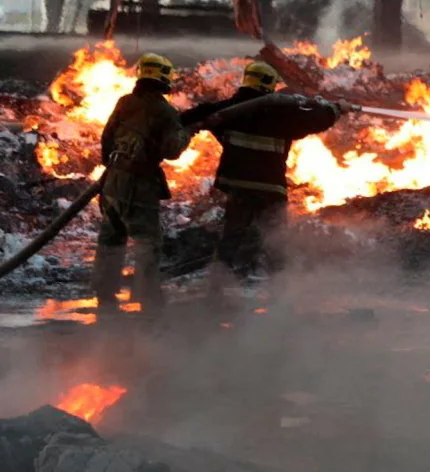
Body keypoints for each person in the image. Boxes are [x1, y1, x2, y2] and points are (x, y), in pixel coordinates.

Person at [180, 61, 348, 297]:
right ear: (269, 84)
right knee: (275, 242)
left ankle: (215, 289)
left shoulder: (229, 110)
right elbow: (318, 120)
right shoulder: (282, 114)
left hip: (237, 187)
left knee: (231, 237)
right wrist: (335, 109)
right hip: (271, 189)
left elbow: (197, 115)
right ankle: (281, 293)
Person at [95, 52, 191, 315]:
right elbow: (172, 150)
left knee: (111, 239)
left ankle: (105, 295)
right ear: (163, 76)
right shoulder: (164, 110)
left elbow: (107, 139)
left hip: (113, 182)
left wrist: (112, 169)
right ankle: (148, 300)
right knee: (147, 241)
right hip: (140, 185)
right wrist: (187, 134)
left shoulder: (125, 102)